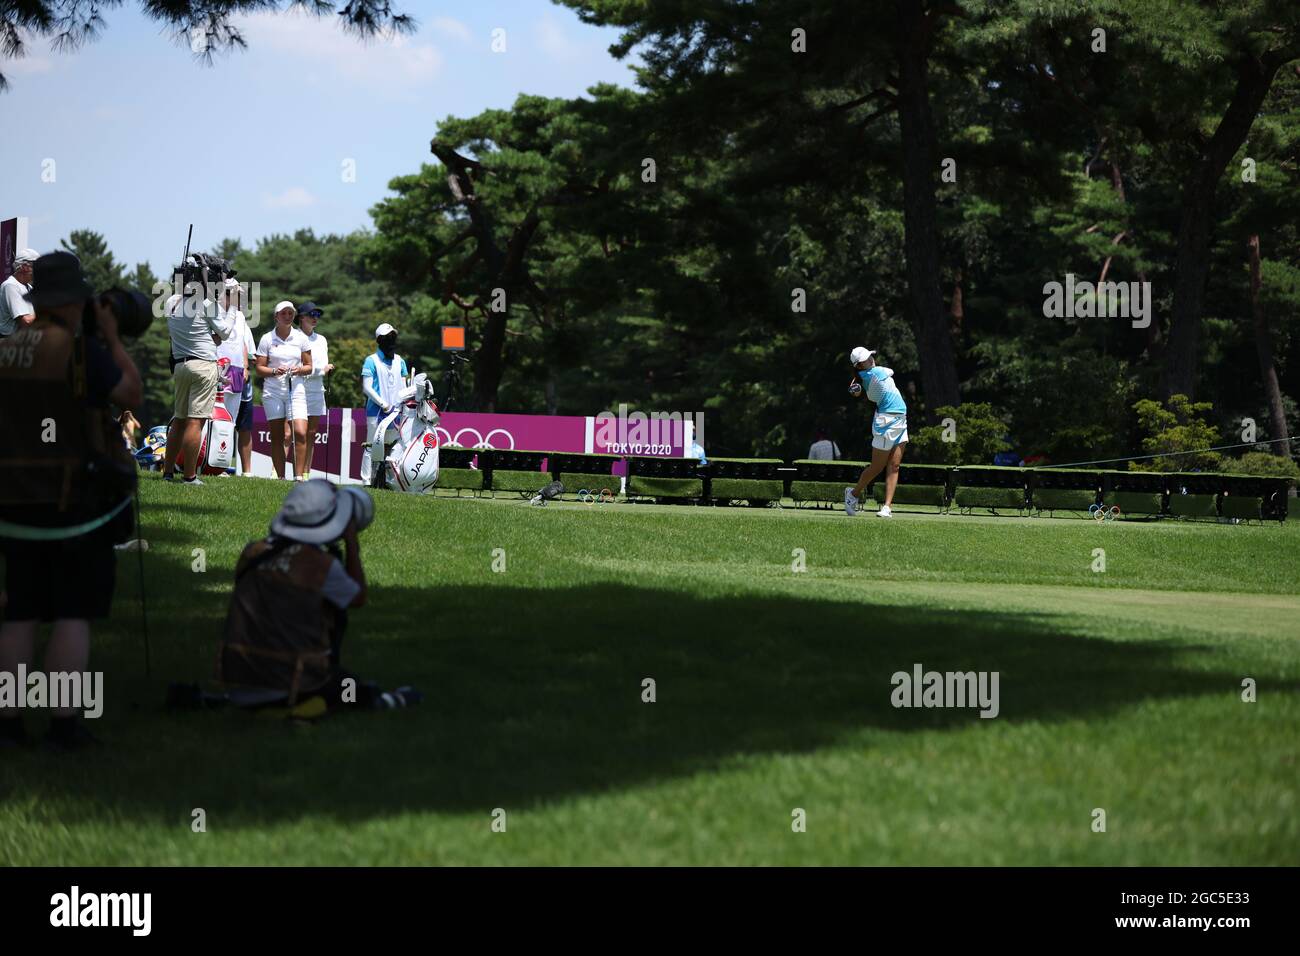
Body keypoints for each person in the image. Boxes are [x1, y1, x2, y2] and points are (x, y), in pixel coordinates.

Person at [0, 251, 142, 750]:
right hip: (71, 504)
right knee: (71, 613)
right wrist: (112, 337)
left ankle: (9, 724)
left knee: (18, 615)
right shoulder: (79, 350)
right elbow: (130, 394)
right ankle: (63, 725)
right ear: (73, 299)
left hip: (13, 499)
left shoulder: (10, 344)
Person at [217, 480, 420, 711]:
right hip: (293, 682)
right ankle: (377, 701)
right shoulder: (320, 565)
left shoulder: (252, 552)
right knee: (350, 688)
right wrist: (352, 543)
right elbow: (357, 597)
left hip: (237, 681)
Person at [161, 263, 235, 485]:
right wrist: (233, 309)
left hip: (181, 366)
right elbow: (226, 332)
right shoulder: (205, 304)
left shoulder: (172, 303)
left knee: (179, 421)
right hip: (203, 366)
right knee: (196, 422)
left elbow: (200, 333)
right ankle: (190, 476)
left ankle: (167, 473)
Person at [844, 346, 908, 518]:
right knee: (877, 467)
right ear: (859, 365)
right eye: (867, 358)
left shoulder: (865, 374)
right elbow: (891, 371)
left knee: (894, 465)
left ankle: (887, 507)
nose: (871, 358)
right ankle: (853, 494)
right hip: (885, 423)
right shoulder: (876, 372)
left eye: (870, 356)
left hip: (901, 420)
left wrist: (855, 382)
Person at [256, 301, 313, 481]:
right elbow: (259, 368)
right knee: (277, 435)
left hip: (296, 389)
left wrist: (298, 370)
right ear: (276, 317)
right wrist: (274, 371)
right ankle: (281, 478)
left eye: (290, 313)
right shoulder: (267, 338)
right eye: (283, 313)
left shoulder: (301, 338)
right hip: (273, 391)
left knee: (301, 432)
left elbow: (309, 366)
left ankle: (299, 477)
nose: (287, 316)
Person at [360, 323, 408, 484]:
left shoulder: (400, 361)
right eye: (388, 337)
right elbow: (367, 388)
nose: (391, 340)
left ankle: (390, 480)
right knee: (371, 446)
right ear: (379, 340)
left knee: (394, 446)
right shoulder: (371, 361)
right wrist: (383, 404)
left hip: (396, 412)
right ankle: (367, 480)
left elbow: (404, 386)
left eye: (393, 337)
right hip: (376, 412)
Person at [296, 301, 334, 476]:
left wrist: (322, 369)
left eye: (317, 315)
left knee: (311, 433)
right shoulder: (293, 337)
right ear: (301, 318)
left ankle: (306, 473)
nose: (315, 318)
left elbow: (323, 364)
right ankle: (277, 472)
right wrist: (320, 370)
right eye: (312, 315)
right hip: (297, 389)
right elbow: (301, 367)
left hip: (317, 390)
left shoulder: (322, 340)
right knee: (291, 433)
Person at [215, 279, 253, 435]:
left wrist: (245, 367)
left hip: (237, 370)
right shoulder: (214, 312)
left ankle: (222, 458)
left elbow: (242, 342)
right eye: (233, 293)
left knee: (230, 421)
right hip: (218, 370)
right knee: (214, 418)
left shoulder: (240, 316)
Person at [0, 248, 37, 339]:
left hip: (21, 342)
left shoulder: (29, 287)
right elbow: (26, 321)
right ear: (25, 267)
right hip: (9, 343)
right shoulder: (10, 286)